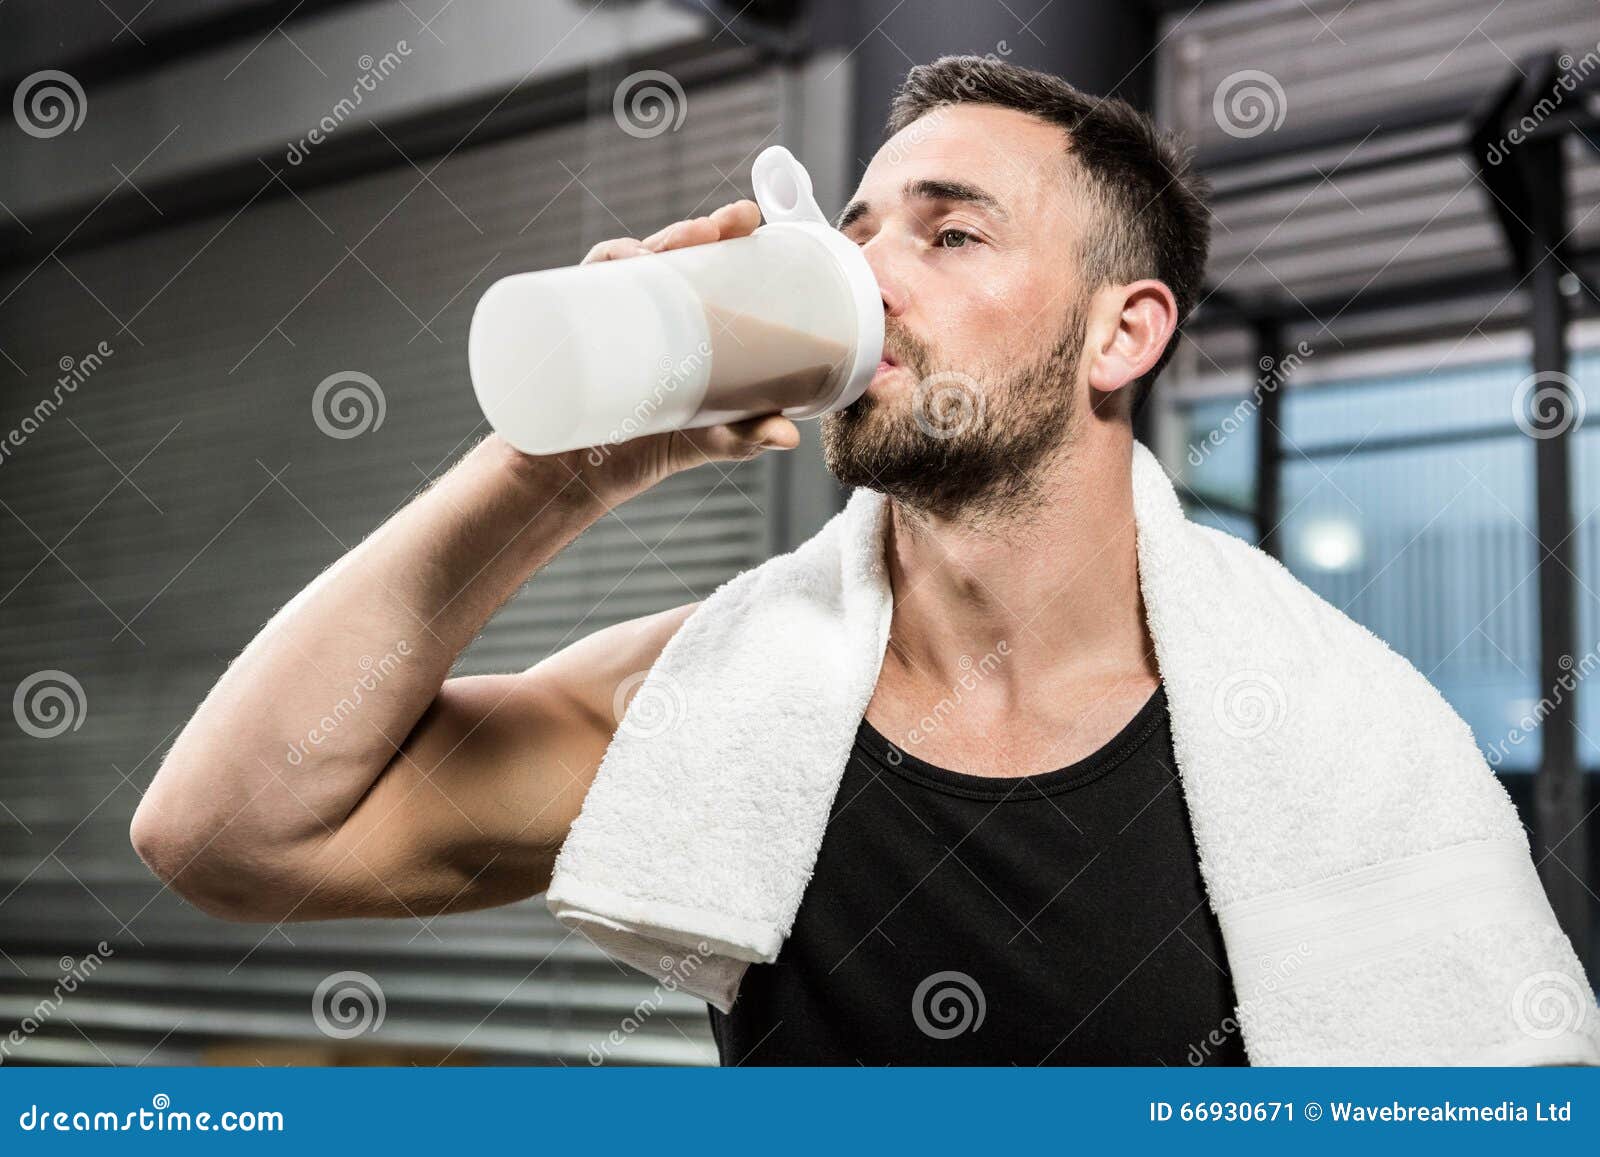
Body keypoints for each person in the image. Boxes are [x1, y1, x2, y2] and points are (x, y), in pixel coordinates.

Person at [132, 55, 1233, 1064]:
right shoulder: (726, 691)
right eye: (856, 237)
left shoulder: (1300, 728)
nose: (870, 277)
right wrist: (554, 471)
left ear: (1122, 333)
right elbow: (227, 838)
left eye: (949, 236)